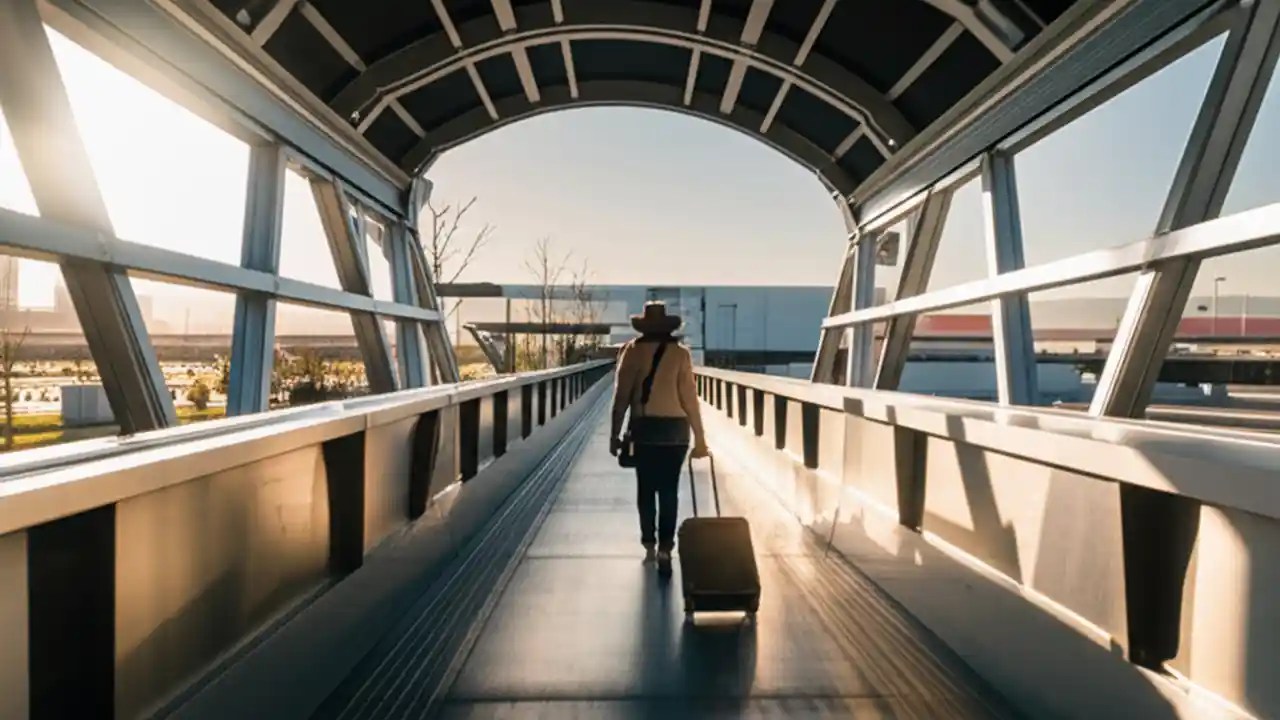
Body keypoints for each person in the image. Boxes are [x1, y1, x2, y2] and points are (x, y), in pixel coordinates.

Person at [610, 301, 709, 573]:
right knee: (669, 490)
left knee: (646, 488)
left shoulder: (631, 352)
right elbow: (690, 400)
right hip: (676, 431)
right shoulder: (681, 355)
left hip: (646, 431)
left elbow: (621, 399)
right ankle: (667, 547)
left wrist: (614, 435)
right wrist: (700, 438)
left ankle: (649, 543)